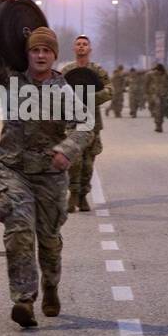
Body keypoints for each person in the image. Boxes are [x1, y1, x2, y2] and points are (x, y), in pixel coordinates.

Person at [0, 0, 93, 329]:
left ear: (54, 56)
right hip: (14, 170)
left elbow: (84, 126)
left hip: (51, 176)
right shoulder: (11, 79)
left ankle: (51, 286)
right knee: (18, 232)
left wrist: (66, 151)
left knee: (49, 240)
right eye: (35, 49)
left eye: (46, 51)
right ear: (27, 53)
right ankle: (24, 300)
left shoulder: (64, 90)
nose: (40, 55)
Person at [60, 35, 111, 213]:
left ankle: (82, 196)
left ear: (89, 49)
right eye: (78, 44)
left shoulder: (97, 70)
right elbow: (56, 91)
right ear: (74, 49)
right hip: (72, 123)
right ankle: (73, 193)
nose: (81, 47)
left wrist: (91, 98)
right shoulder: (66, 71)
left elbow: (110, 90)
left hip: (92, 122)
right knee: (74, 159)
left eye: (85, 44)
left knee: (88, 162)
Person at [146, 63, 168, 132]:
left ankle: (159, 125)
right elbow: (147, 82)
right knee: (157, 108)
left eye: (160, 71)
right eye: (157, 70)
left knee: (162, 110)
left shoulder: (166, 74)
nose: (159, 72)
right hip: (155, 94)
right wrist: (147, 92)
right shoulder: (151, 74)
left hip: (163, 94)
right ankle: (157, 124)